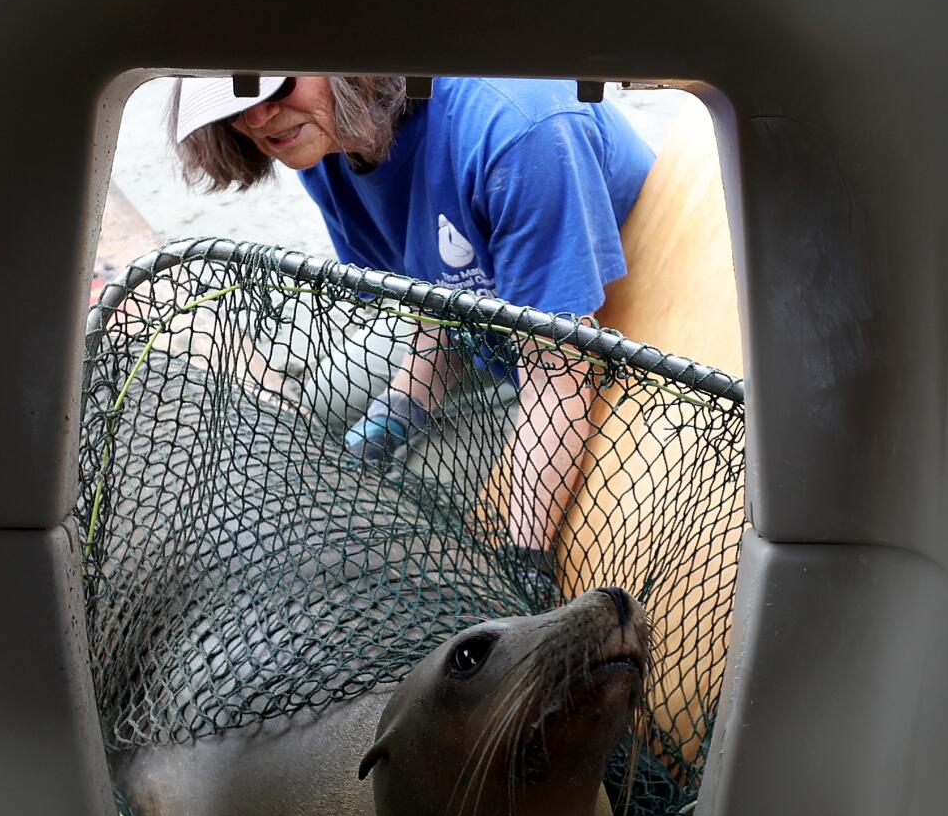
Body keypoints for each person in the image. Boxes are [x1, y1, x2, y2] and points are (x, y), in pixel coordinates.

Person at [170, 75, 655, 605]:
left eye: (275, 88)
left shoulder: (519, 134)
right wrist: (382, 431)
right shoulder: (330, 141)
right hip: (490, 331)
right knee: (323, 418)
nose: (256, 119)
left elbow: (558, 373)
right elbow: (435, 302)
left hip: (591, 358)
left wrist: (523, 567)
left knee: (417, 497)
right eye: (235, 104)